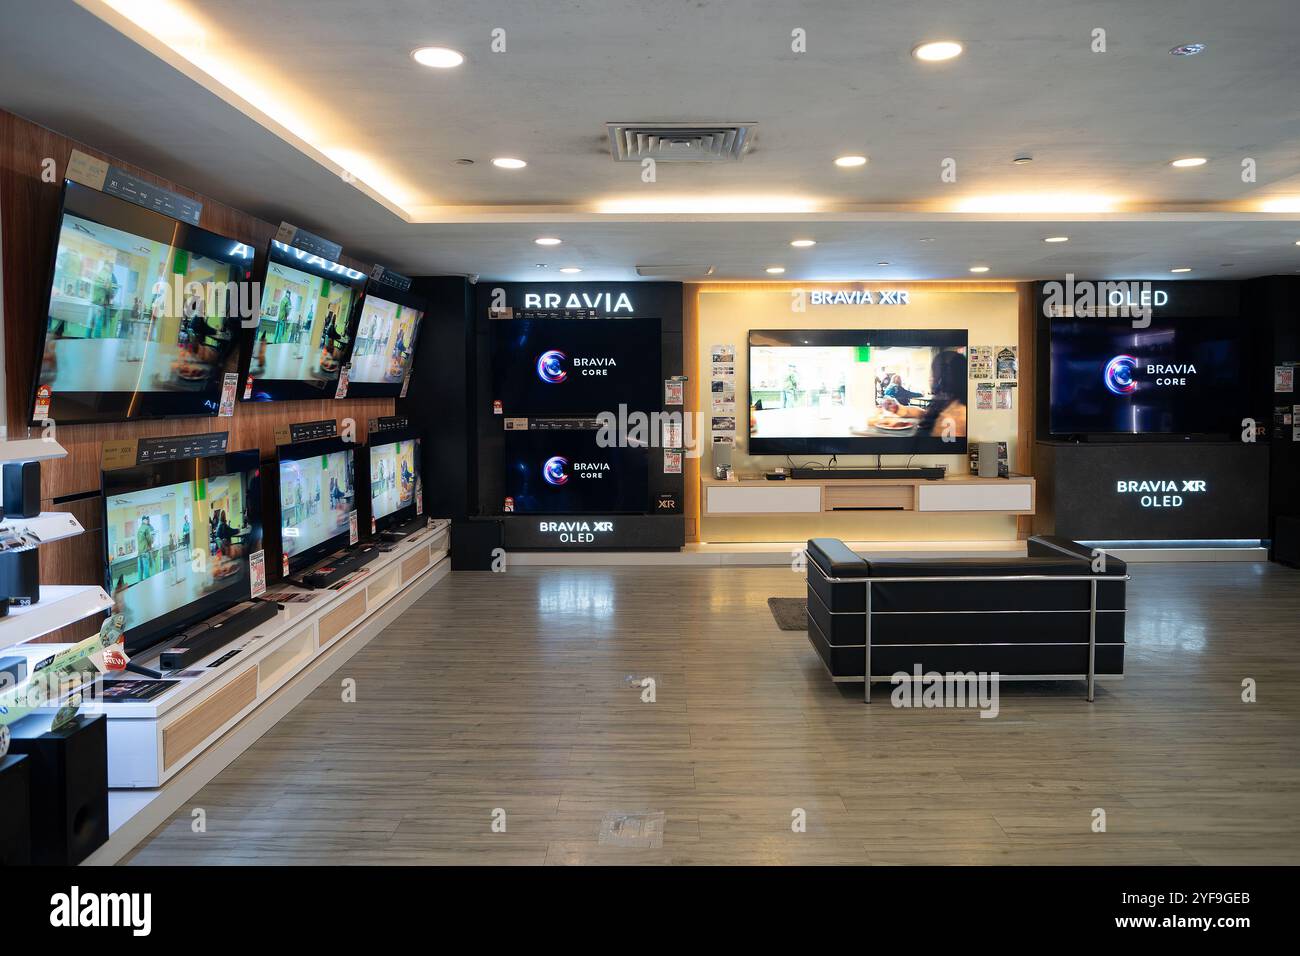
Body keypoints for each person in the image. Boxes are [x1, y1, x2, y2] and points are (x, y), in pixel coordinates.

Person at [880, 350, 968, 438]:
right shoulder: (946, 400)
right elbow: (925, 414)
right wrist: (896, 408)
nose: (930, 379)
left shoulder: (959, 414)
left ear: (945, 378)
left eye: (934, 374)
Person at [136, 516, 155, 581]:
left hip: (139, 552)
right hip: (145, 551)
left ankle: (140, 581)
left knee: (140, 568)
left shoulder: (139, 529)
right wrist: (150, 545)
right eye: (147, 520)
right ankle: (147, 581)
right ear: (145, 520)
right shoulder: (146, 528)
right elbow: (149, 539)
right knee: (146, 567)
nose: (148, 521)